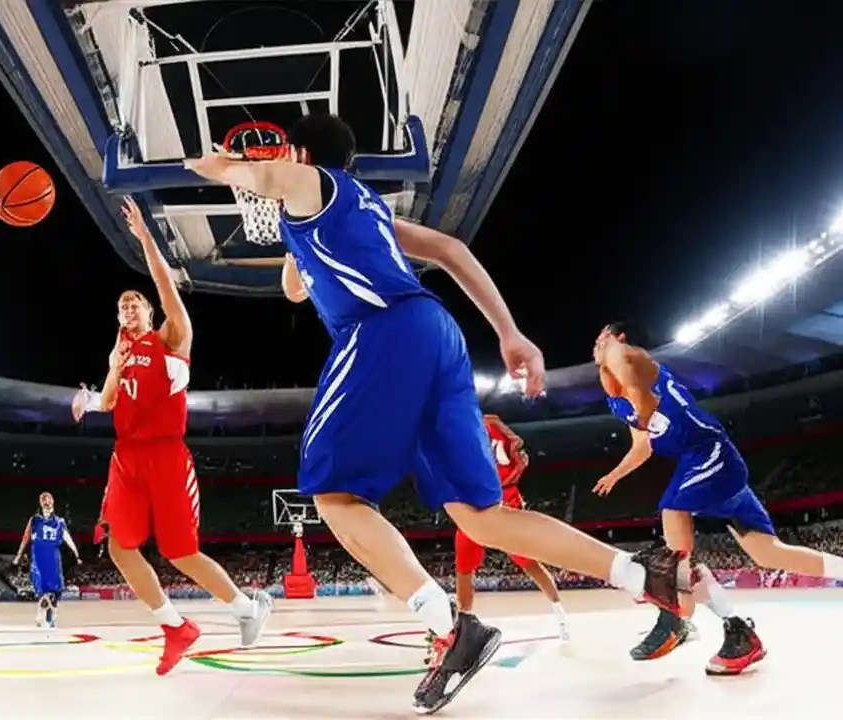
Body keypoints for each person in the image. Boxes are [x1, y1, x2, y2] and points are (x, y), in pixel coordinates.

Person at [185, 113, 684, 714]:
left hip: (380, 334)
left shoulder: (308, 181)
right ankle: (642, 575)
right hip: (436, 334)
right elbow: (445, 249)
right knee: (481, 515)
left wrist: (219, 169)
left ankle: (452, 626)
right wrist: (510, 332)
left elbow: (267, 178)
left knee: (335, 496)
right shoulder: (358, 206)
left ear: (299, 155)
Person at [71, 197, 272, 676]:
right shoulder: (117, 352)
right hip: (126, 458)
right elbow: (109, 403)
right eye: (121, 304)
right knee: (120, 547)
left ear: (149, 310)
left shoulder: (172, 336)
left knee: (181, 552)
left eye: (135, 302)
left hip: (166, 456)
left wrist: (145, 239)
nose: (127, 307)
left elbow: (165, 286)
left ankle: (245, 607)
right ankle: (175, 627)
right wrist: (95, 393)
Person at [593, 321, 843, 674]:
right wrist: (615, 474)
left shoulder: (633, 359)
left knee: (672, 513)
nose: (596, 345)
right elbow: (642, 446)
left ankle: (676, 616)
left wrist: (611, 358)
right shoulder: (620, 403)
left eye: (601, 338)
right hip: (713, 470)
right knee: (768, 553)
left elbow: (625, 367)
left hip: (710, 451)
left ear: (619, 338)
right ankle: (735, 630)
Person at [455, 415, 568, 641]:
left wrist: (514, 455)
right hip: (479, 504)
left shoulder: (489, 430)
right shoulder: (467, 434)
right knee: (464, 568)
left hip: (501, 501)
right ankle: (463, 625)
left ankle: (560, 612)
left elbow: (512, 443)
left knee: (528, 562)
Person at [13, 491, 81, 628]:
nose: (46, 501)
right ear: (40, 503)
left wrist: (76, 553)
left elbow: (67, 537)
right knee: (43, 589)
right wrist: (19, 555)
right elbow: (25, 538)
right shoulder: (35, 520)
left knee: (56, 590)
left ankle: (51, 616)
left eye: (48, 498)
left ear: (53, 502)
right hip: (39, 556)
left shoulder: (59, 522)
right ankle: (40, 613)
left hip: (53, 557)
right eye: (43, 499)